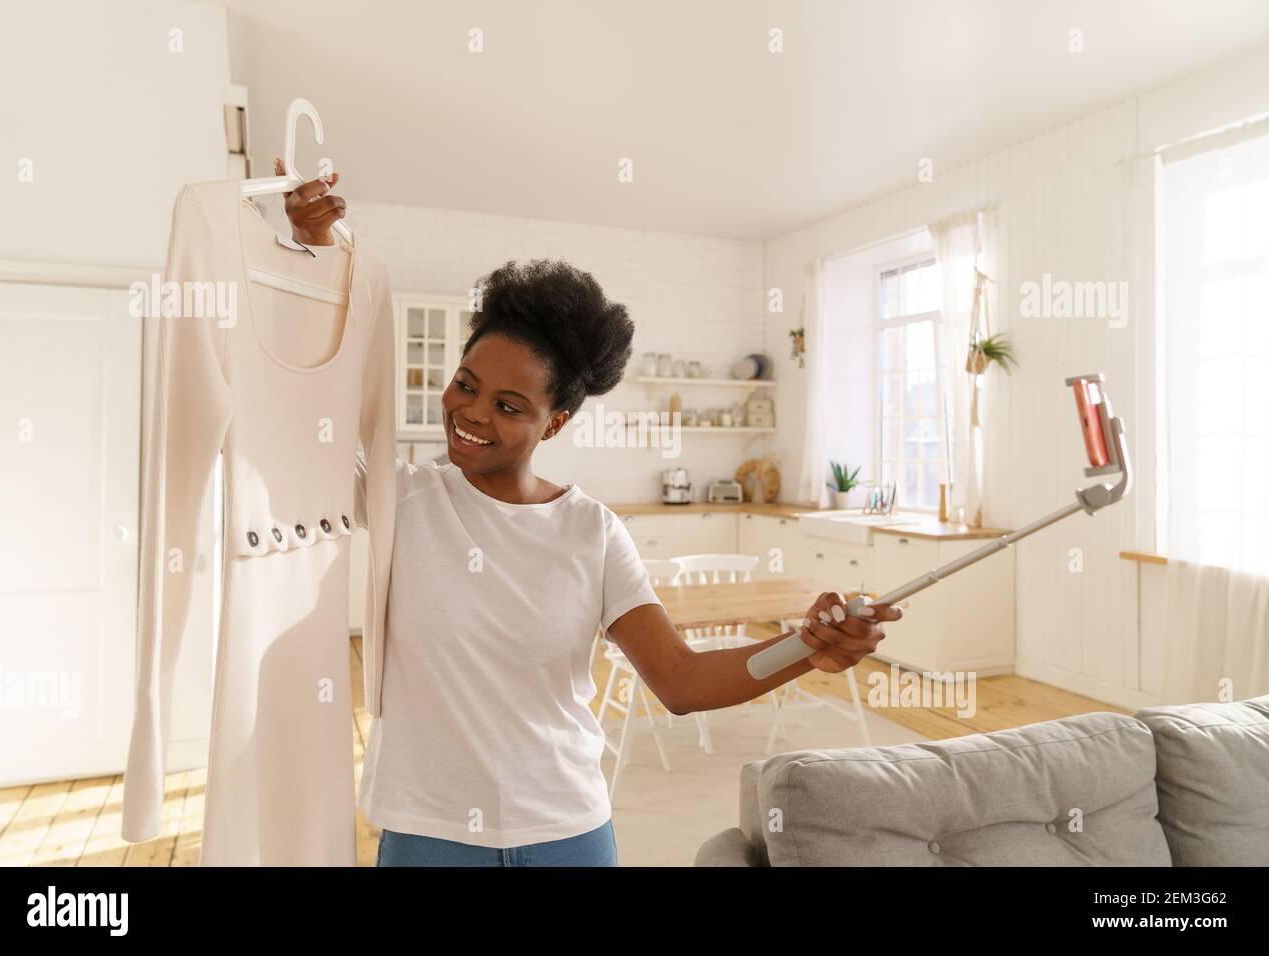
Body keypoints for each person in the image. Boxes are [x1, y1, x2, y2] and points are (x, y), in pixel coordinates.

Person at [278, 163, 901, 866]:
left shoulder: (592, 532)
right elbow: (298, 419)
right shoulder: (403, 498)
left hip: (567, 834)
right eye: (466, 385)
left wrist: (808, 650)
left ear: (556, 423)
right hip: (428, 833)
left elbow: (682, 682)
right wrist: (312, 256)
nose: (472, 414)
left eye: (510, 407)